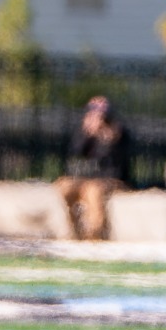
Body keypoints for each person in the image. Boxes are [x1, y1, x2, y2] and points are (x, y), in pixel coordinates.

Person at [56, 95, 132, 241]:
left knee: (92, 190)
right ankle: (74, 229)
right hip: (86, 178)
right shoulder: (86, 131)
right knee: (64, 186)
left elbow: (112, 160)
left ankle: (95, 234)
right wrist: (87, 134)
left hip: (111, 179)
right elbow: (76, 151)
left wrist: (105, 138)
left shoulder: (118, 132)